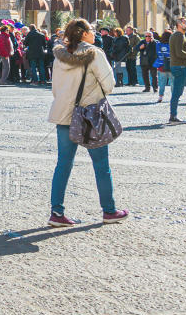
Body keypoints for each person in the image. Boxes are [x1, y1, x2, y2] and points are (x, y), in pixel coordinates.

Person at [47, 18, 127, 226]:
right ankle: (109, 211)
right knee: (101, 165)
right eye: (91, 30)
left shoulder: (59, 57)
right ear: (83, 34)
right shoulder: (95, 54)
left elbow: (55, 88)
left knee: (63, 164)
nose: (94, 33)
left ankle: (56, 213)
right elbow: (109, 84)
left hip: (64, 112)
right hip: (90, 114)